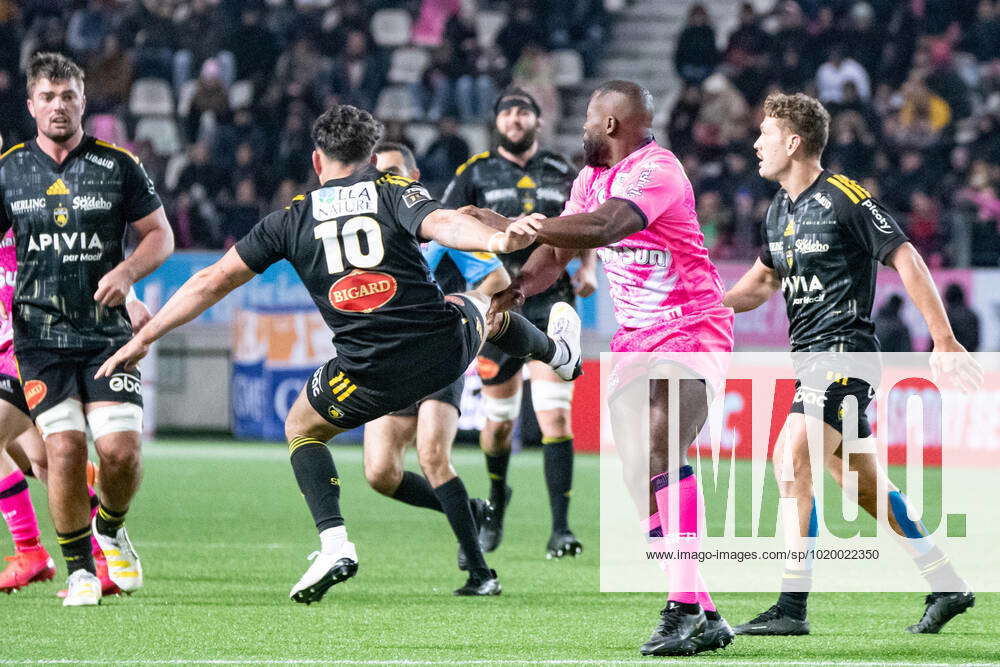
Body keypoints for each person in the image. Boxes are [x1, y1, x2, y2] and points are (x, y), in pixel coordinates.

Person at [96, 104, 582, 603]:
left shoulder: (289, 218)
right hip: (440, 351)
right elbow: (444, 223)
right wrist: (498, 237)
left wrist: (143, 339)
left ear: (316, 159)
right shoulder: (394, 190)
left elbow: (209, 281)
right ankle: (557, 352)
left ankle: (334, 542)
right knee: (482, 303)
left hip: (367, 370)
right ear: (371, 157)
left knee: (302, 428)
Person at [467, 80, 736, 657]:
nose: (582, 129)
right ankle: (706, 610)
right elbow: (560, 252)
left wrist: (523, 222)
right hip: (636, 336)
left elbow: (605, 228)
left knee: (663, 445)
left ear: (610, 125)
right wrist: (517, 288)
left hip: (691, 324)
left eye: (588, 119)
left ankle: (681, 609)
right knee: (639, 479)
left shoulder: (657, 170)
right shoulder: (589, 178)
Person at [723, 92, 980, 636]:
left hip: (844, 355)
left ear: (793, 142)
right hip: (811, 358)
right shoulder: (779, 209)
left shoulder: (844, 198)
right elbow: (762, 283)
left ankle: (791, 608)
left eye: (764, 134)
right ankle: (946, 582)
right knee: (860, 484)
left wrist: (943, 338)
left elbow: (906, 256)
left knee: (790, 460)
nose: (755, 144)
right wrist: (703, 305)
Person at [0, 52, 174, 606]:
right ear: (31, 105)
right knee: (65, 450)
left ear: (83, 102)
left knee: (120, 452)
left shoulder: (118, 164)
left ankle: (110, 526)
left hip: (105, 335)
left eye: (68, 95)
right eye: (47, 97)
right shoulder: (9, 170)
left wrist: (127, 273)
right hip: (38, 337)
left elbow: (159, 235)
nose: (58, 105)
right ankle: (77, 569)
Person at [442, 88, 596, 559]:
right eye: (507, 112)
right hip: (497, 303)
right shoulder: (475, 172)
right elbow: (447, 224)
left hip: (552, 300)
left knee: (555, 413)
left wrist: (587, 268)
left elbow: (584, 221)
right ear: (496, 122)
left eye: (523, 111)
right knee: (499, 424)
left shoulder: (561, 169)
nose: (515, 118)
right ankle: (496, 506)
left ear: (537, 120)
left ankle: (561, 529)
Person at [362, 142, 509, 595]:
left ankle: (481, 573)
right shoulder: (368, 230)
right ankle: (473, 508)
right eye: (378, 175)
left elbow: (498, 283)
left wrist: (468, 311)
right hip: (391, 357)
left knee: (431, 456)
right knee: (381, 474)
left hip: (440, 352)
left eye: (393, 173)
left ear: (414, 174)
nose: (385, 182)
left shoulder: (437, 227)